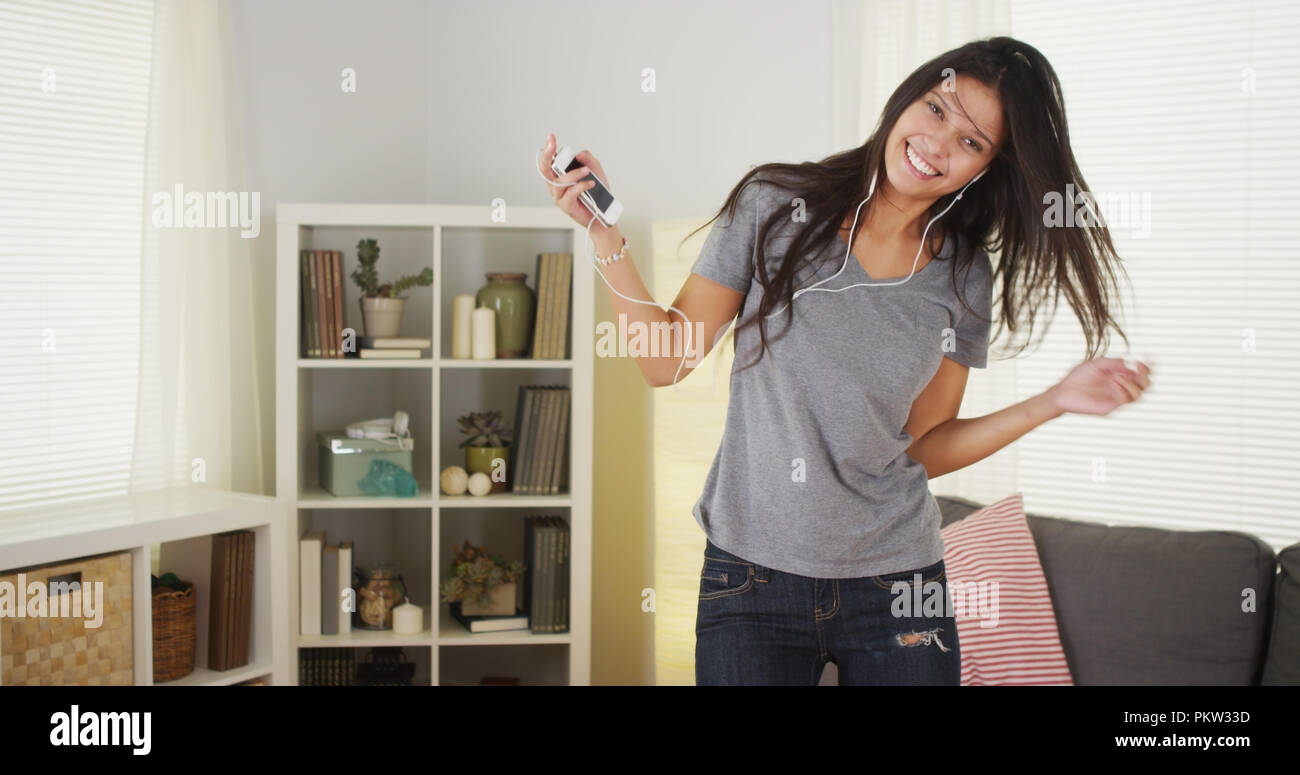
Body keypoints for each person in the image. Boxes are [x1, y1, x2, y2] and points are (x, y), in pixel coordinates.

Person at [540, 36, 1152, 685]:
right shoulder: (773, 205)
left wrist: (1054, 400)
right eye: (937, 109)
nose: (938, 143)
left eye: (972, 141)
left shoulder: (965, 273)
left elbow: (926, 443)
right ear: (906, 99)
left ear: (987, 168)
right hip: (752, 581)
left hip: (898, 582)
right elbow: (665, 361)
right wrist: (603, 231)